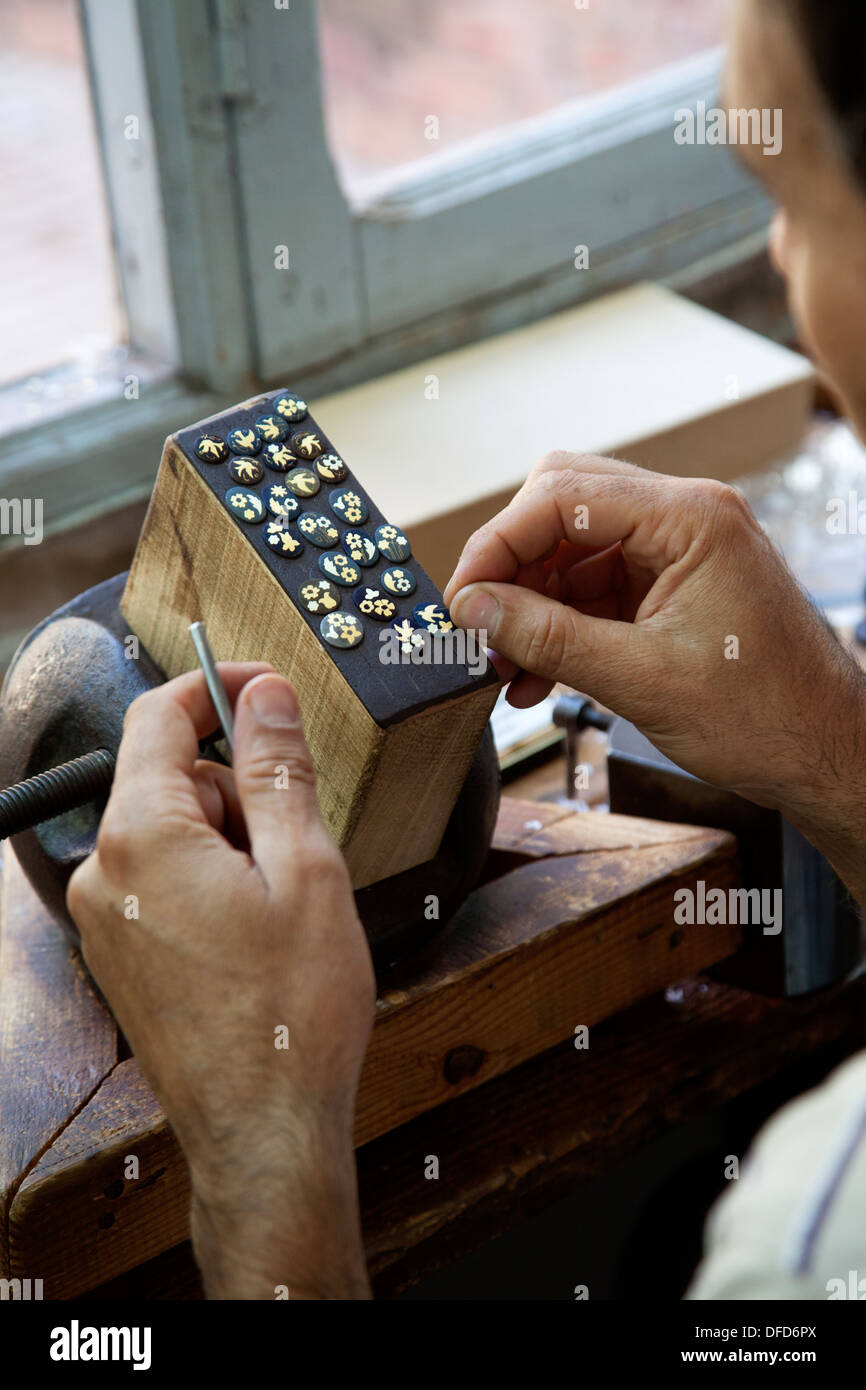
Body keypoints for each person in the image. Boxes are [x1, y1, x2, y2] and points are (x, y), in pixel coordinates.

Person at [67, 0, 866, 1299]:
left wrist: (266, 1158)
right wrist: (837, 743)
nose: (776, 257)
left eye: (789, 199)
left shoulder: (808, 1239)